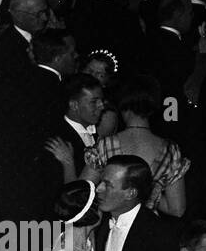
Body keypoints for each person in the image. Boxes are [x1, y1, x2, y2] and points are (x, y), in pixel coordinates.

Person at [80, 75, 190, 217]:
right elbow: (177, 209)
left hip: (110, 225)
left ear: (123, 104)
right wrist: (150, 192)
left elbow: (81, 192)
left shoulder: (105, 145)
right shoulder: (170, 151)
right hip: (147, 228)